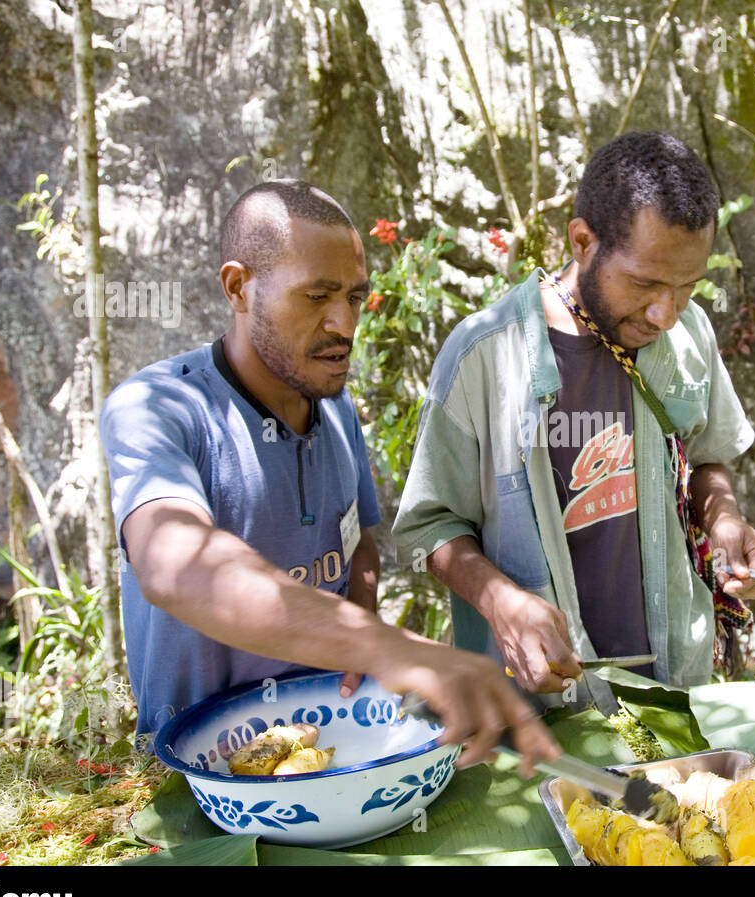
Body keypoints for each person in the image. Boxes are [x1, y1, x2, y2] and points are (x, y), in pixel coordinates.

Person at [100, 179, 560, 774]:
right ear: (238, 287)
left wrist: (362, 618)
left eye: (355, 298)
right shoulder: (160, 408)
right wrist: (389, 647)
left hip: (329, 759)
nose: (344, 324)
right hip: (199, 784)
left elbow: (357, 543)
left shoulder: (336, 408)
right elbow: (174, 566)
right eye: (317, 296)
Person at [393, 132, 755, 709]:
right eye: (645, 283)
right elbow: (428, 528)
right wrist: (499, 600)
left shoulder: (690, 335)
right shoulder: (484, 356)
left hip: (672, 688)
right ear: (582, 241)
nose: (664, 314)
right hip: (540, 708)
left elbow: (707, 456)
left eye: (686, 287)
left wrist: (723, 518)